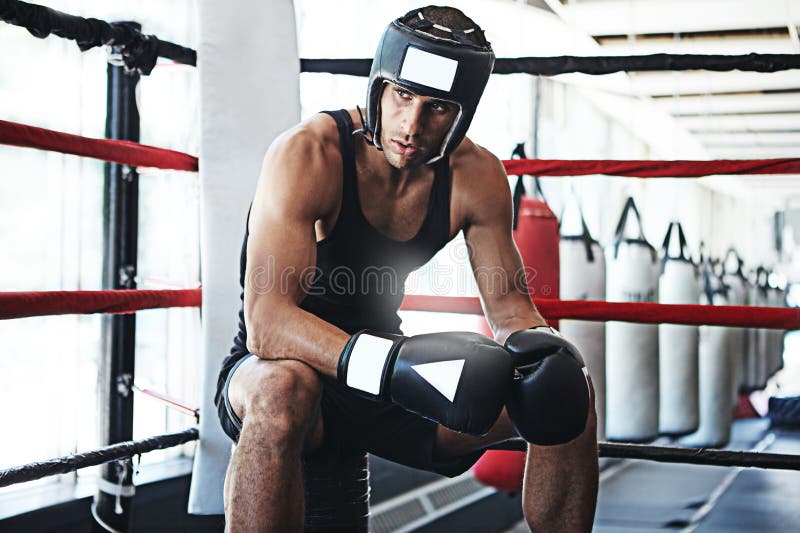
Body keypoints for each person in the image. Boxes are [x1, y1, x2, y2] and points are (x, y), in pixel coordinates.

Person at [215, 5, 598, 532]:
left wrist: (544, 357)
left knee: (565, 390)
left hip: (380, 385)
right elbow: (268, 323)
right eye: (402, 95)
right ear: (376, 87)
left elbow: (512, 310)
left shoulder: (476, 176)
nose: (412, 125)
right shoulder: (310, 154)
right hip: (280, 367)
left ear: (462, 113)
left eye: (437, 107)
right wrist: (389, 367)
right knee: (284, 389)